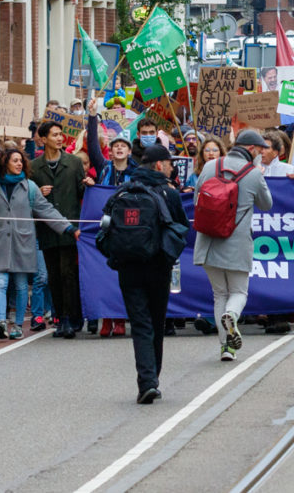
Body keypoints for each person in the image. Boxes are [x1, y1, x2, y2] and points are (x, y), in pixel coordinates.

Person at [107, 143, 189, 404]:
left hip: (128, 267)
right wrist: (167, 255)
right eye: (169, 163)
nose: (171, 167)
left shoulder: (122, 192)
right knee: (156, 322)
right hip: (158, 267)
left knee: (140, 325)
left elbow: (105, 228)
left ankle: (146, 382)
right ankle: (152, 379)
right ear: (158, 165)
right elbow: (182, 228)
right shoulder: (169, 193)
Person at [0, 148, 74, 340]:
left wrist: (67, 227)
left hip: (22, 242)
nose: (19, 164)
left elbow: (46, 210)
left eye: (21, 161)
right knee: (0, 283)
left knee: (21, 286)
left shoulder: (30, 187)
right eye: (15, 160)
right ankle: (1, 322)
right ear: (4, 163)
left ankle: (18, 326)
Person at [193, 130, 272, 362]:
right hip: (236, 242)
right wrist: (260, 178)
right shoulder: (253, 173)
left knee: (219, 294)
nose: (260, 154)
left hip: (207, 240)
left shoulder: (210, 167)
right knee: (238, 292)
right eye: (259, 150)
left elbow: (198, 195)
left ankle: (226, 347)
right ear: (250, 149)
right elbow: (266, 205)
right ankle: (232, 315)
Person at [29, 118, 89, 338]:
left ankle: (72, 318)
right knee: (53, 275)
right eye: (54, 135)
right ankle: (60, 317)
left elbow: (82, 193)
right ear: (43, 139)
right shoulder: (34, 167)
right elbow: (29, 196)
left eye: (60, 134)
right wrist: (38, 191)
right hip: (47, 229)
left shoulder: (73, 162)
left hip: (69, 225)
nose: (59, 138)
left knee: (68, 273)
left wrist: (89, 185)